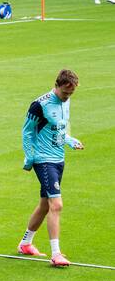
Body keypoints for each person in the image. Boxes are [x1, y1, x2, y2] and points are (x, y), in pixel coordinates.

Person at [19, 69, 84, 267]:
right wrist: (30, 159)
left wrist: (70, 140)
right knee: (57, 205)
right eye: (65, 93)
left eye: (71, 94)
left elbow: (60, 128)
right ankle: (56, 254)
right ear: (57, 86)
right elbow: (27, 132)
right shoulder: (40, 105)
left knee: (45, 204)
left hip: (58, 158)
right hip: (43, 160)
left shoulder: (66, 102)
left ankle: (25, 243)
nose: (67, 97)